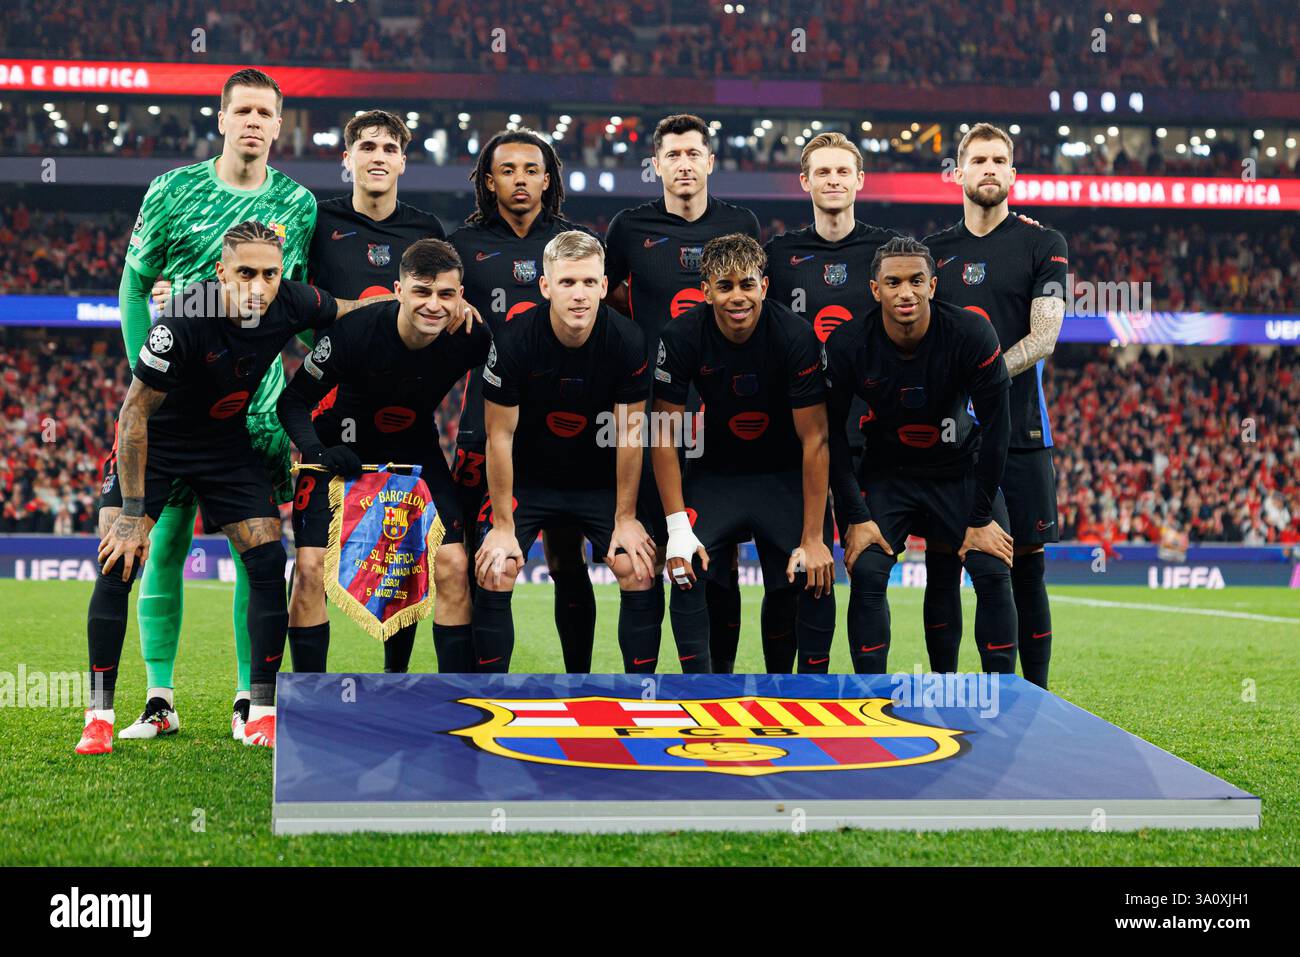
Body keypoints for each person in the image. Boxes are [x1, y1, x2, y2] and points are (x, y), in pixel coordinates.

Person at [81, 221, 379, 754]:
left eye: (270, 273)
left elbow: (346, 308)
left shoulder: (290, 300)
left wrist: (407, 302)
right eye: (245, 273)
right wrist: (130, 511)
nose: (258, 287)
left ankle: (261, 710)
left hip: (225, 444)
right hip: (160, 442)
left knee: (268, 563)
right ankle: (99, 715)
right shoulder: (185, 316)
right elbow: (133, 413)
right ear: (221, 272)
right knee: (118, 559)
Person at [115, 68, 318, 742]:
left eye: (268, 112)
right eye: (245, 110)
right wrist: (149, 374)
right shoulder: (172, 191)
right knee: (162, 541)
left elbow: (301, 309)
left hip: (254, 415)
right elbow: (135, 287)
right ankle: (159, 697)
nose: (256, 122)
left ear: (279, 124)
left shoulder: (299, 204)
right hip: (174, 413)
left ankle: (246, 698)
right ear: (222, 117)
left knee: (255, 555)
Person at [305, 109, 478, 673]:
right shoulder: (315, 220)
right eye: (367, 146)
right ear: (347, 157)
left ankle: (407, 686)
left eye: (390, 148)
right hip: (334, 409)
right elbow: (276, 292)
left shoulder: (426, 229)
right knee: (307, 568)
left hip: (408, 423)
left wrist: (461, 308)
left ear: (403, 160)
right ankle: (295, 701)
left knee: (410, 556)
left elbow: (445, 291)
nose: (378, 156)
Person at [278, 239, 489, 674]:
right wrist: (319, 450)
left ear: (461, 296)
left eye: (446, 294)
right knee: (309, 567)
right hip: (340, 449)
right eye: (422, 292)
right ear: (398, 289)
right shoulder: (354, 332)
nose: (434, 305)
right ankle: (309, 699)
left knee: (452, 562)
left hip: (413, 450)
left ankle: (443, 695)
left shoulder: (471, 339)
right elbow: (292, 403)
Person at [604, 113, 762, 674]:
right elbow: (609, 304)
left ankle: (713, 688)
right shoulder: (628, 228)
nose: (684, 164)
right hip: (652, 418)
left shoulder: (740, 222)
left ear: (710, 161)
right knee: (645, 561)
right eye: (673, 155)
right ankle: (640, 691)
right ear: (657, 164)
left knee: (716, 563)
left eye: (694, 153)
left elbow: (753, 310)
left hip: (719, 419)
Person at [822, 235, 1017, 675]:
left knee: (991, 567)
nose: (905, 292)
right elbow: (828, 433)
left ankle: (1004, 697)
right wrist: (855, 516)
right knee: (868, 570)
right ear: (875, 290)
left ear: (933, 285)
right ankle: (868, 699)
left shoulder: (970, 333)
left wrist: (982, 517)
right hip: (889, 474)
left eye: (916, 281)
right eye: (893, 282)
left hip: (959, 472)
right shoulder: (849, 343)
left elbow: (997, 429)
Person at [448, 129, 602, 672]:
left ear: (547, 178)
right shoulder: (462, 247)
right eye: (507, 170)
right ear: (489, 182)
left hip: (565, 431)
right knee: (482, 561)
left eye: (531, 169)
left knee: (567, 559)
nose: (520, 179)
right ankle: (476, 690)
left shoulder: (573, 244)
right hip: (482, 426)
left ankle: (580, 680)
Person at [473, 231, 657, 673]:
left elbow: (631, 433)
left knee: (638, 566)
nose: (579, 295)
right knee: (496, 567)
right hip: (531, 479)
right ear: (545, 286)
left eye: (590, 283)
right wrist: (502, 525)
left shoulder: (628, 339)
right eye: (568, 282)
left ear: (604, 284)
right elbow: (499, 437)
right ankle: (487, 694)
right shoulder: (514, 341)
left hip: (597, 480)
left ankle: (641, 699)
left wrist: (626, 518)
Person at [925, 123, 1068, 687]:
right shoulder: (933, 254)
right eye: (978, 160)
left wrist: (978, 380)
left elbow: (1045, 339)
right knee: (945, 562)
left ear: (1013, 174)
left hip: (1021, 432)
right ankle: (941, 690)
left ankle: (1035, 700)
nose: (989, 168)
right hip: (950, 435)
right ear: (958, 174)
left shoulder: (1043, 244)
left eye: (999, 160)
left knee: (1026, 566)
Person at [653, 233, 836, 674]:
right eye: (725, 285)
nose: (738, 296)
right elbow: (663, 433)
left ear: (765, 287)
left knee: (806, 576)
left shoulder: (795, 336)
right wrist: (677, 528)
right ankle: (700, 690)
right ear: (706, 290)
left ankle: (793, 692)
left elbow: (815, 439)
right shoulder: (680, 335)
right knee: (686, 566)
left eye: (747, 284)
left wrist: (813, 538)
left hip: (782, 473)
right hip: (717, 472)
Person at [761, 130, 900, 672]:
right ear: (805, 182)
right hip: (798, 437)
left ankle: (870, 695)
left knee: (867, 570)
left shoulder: (886, 251)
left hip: (871, 437)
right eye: (823, 172)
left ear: (859, 180)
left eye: (843, 171)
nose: (834, 180)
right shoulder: (780, 255)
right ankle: (791, 691)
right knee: (796, 570)